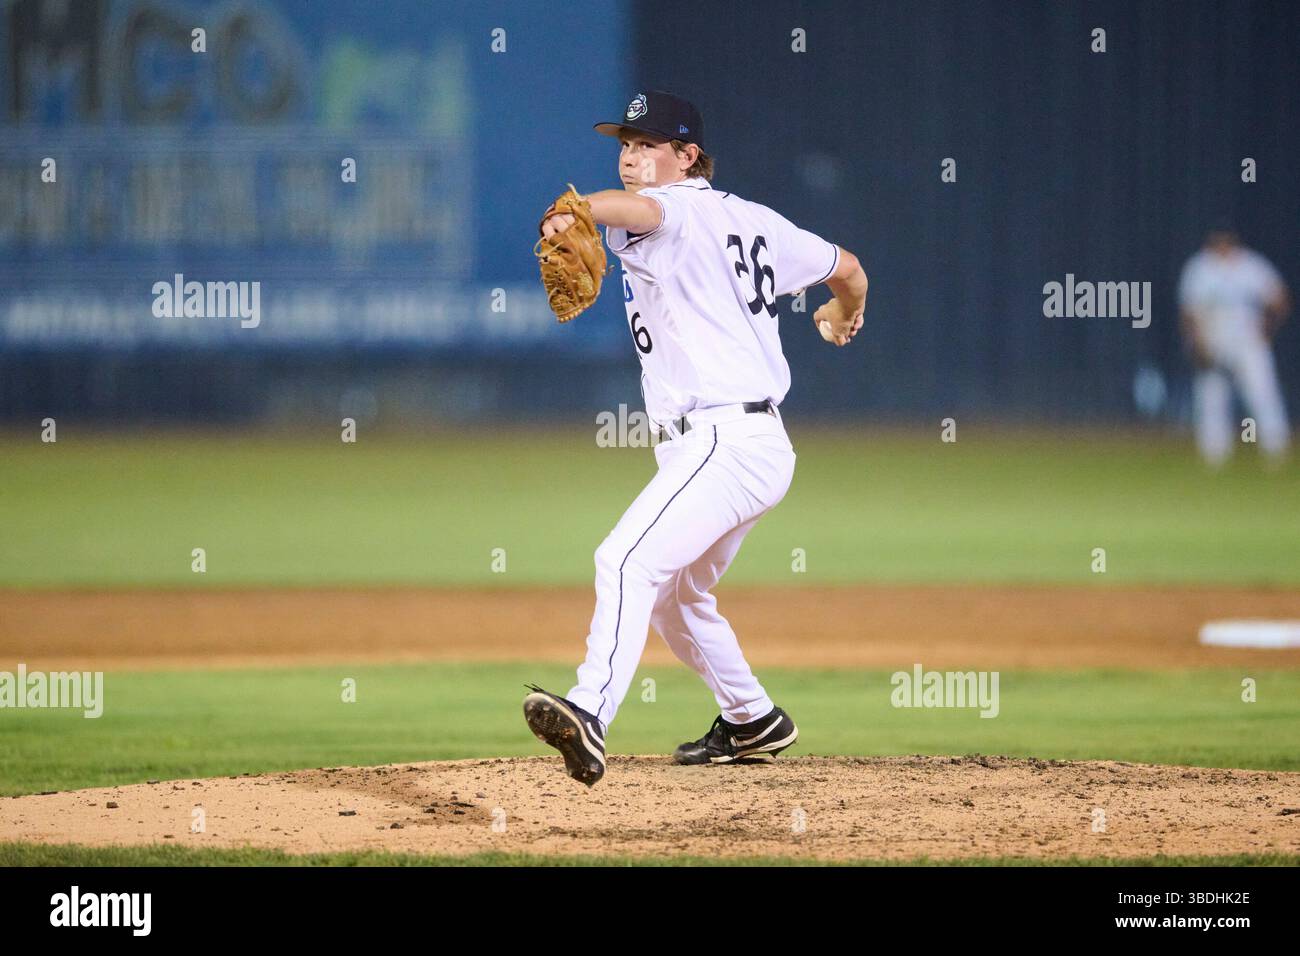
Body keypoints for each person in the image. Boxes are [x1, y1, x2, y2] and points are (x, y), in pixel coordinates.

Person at [521, 90, 868, 786]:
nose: (631, 156)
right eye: (625, 144)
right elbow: (850, 267)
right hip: (744, 445)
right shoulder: (760, 221)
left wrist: (577, 210)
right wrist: (842, 312)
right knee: (677, 595)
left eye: (648, 145)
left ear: (687, 157)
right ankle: (753, 718)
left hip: (723, 441)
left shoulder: (673, 207)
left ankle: (589, 713)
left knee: (623, 560)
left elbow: (643, 211)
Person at [1179, 227, 1291, 466]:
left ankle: (1275, 448)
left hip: (1247, 341)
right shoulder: (1201, 267)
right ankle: (1214, 454)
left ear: (1234, 242)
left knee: (1262, 392)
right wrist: (1197, 344)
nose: (1222, 245)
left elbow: (1279, 298)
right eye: (1218, 241)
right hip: (1214, 341)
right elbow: (1189, 311)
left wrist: (1267, 329)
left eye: (1226, 241)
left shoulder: (1251, 265)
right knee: (1211, 397)